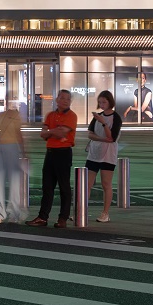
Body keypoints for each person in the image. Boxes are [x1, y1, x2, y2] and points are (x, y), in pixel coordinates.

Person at [29, 89, 79, 227]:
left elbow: (59, 132)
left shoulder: (72, 116)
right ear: (57, 99)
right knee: (47, 187)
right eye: (62, 98)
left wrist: (50, 132)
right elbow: (43, 134)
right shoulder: (50, 115)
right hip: (50, 153)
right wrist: (53, 132)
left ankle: (63, 218)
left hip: (63, 153)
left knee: (64, 187)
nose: (65, 101)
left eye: (68, 99)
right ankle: (42, 217)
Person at [0, 97, 28, 223]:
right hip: (2, 148)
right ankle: (2, 213)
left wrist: (23, 150)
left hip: (12, 147)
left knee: (12, 181)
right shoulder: (1, 116)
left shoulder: (15, 116)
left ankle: (12, 213)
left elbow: (18, 133)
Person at [86, 90, 123, 223]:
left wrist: (103, 122)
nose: (101, 104)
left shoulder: (116, 118)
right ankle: (82, 210)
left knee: (106, 184)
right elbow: (89, 134)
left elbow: (111, 137)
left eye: (104, 102)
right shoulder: (97, 116)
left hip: (108, 156)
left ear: (110, 102)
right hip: (93, 154)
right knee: (87, 184)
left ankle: (105, 213)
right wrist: (100, 138)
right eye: (100, 102)